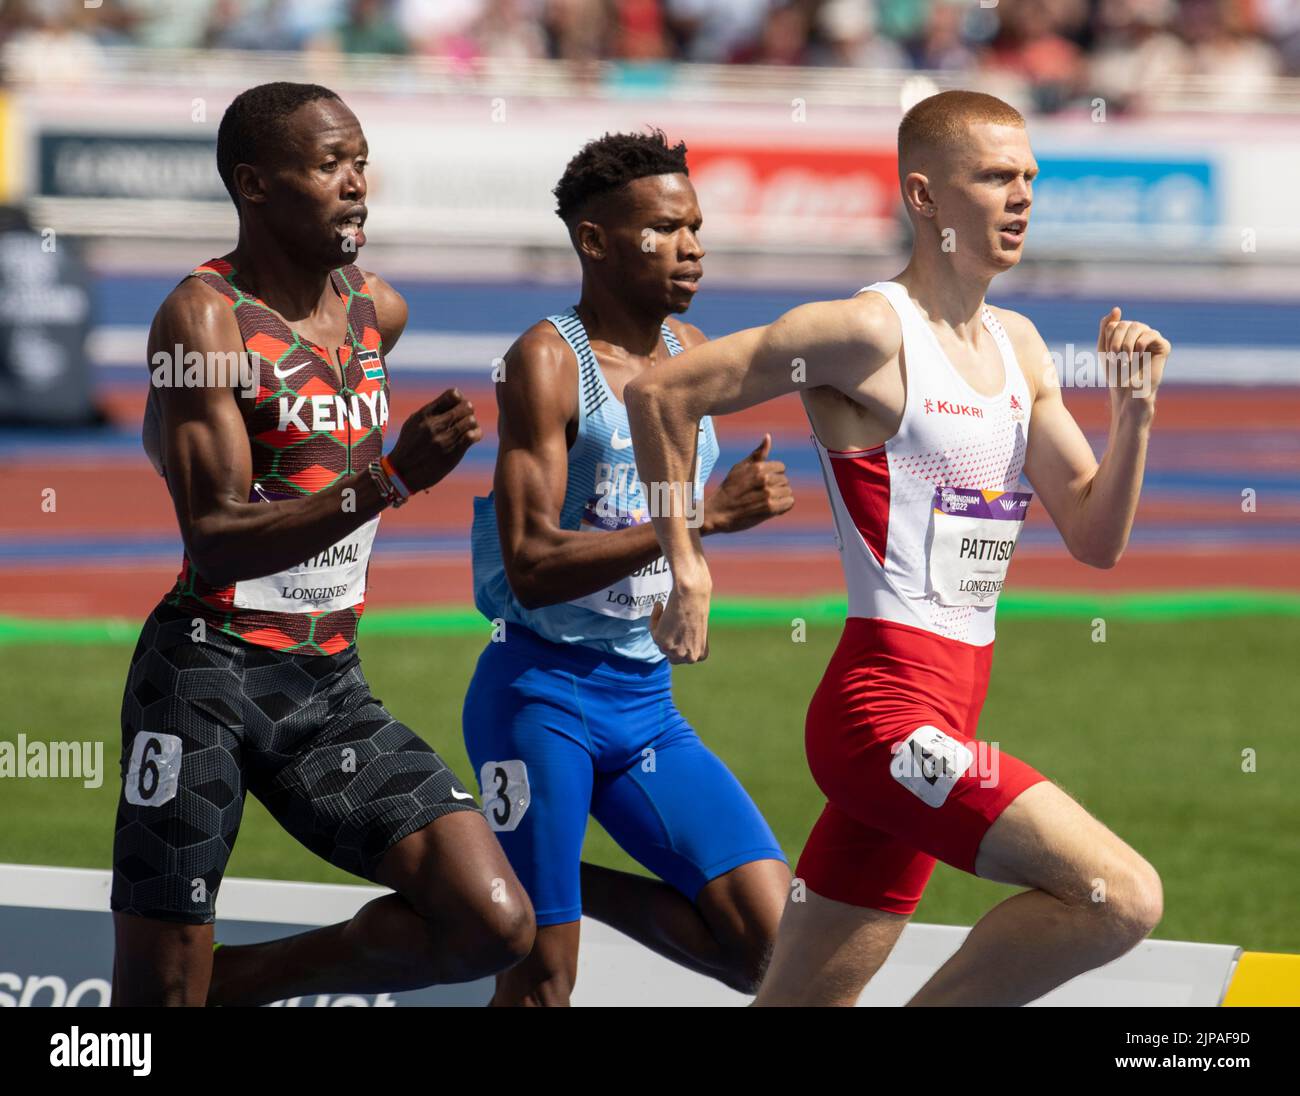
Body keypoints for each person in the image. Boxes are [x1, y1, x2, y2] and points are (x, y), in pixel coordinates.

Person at [626, 90, 1171, 1006]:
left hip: (947, 717)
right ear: (924, 197)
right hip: (882, 716)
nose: (1022, 196)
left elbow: (1095, 535)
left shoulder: (1023, 346)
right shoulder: (868, 332)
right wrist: (685, 559)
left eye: (1030, 176)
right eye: (996, 177)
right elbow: (662, 396)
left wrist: (1134, 411)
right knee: (1118, 898)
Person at [115, 82, 534, 1006]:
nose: (355, 185)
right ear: (254, 183)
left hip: (328, 683)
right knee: (150, 992)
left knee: (491, 919)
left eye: (359, 163)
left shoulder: (377, 309)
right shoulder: (204, 320)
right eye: (327, 165)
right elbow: (217, 541)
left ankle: (228, 992)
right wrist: (388, 480)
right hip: (204, 677)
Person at [464, 130, 792, 1006]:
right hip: (540, 697)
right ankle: (541, 898)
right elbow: (531, 564)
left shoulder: (691, 351)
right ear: (595, 242)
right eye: (665, 230)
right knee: (540, 984)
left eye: (694, 226)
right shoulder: (546, 361)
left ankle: (555, 884)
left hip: (645, 709)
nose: (692, 246)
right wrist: (707, 516)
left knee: (774, 952)